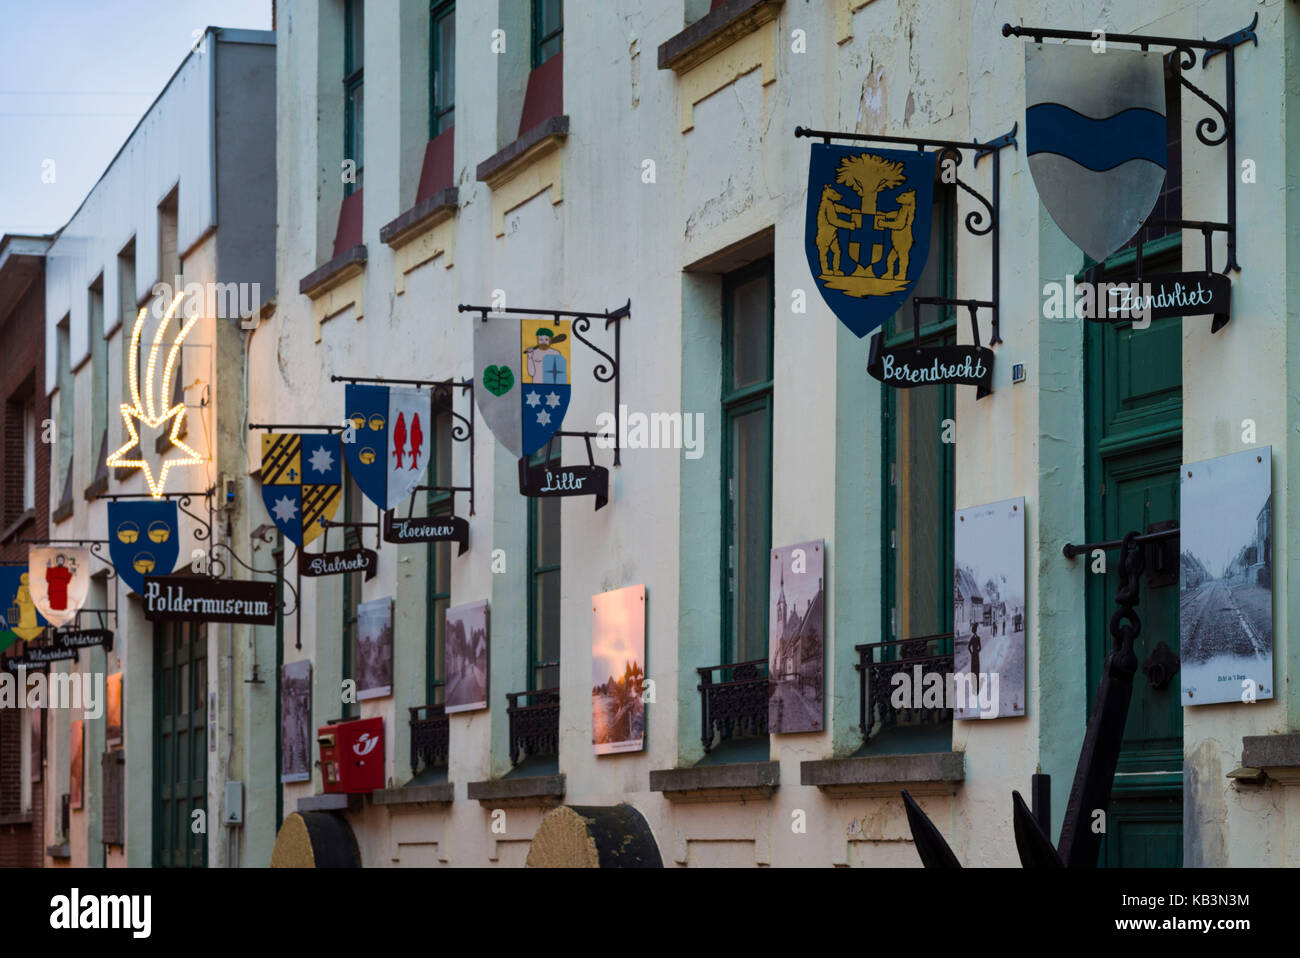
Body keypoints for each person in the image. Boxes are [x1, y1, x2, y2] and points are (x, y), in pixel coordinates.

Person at [815, 185, 860, 276]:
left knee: (837, 251)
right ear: (826, 193)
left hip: (832, 234)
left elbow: (840, 208)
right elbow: (833, 220)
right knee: (824, 253)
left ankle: (836, 270)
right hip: (825, 235)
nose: (837, 195)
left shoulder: (830, 204)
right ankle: (825, 270)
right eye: (833, 193)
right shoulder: (826, 205)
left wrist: (851, 211)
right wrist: (849, 225)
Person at [968, 623, 982, 697]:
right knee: (977, 672)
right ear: (976, 630)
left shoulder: (972, 639)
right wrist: (977, 651)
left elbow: (968, 647)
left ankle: (974, 689)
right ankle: (977, 690)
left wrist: (972, 653)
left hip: (973, 656)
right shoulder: (978, 638)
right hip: (977, 656)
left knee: (973, 671)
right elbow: (980, 647)